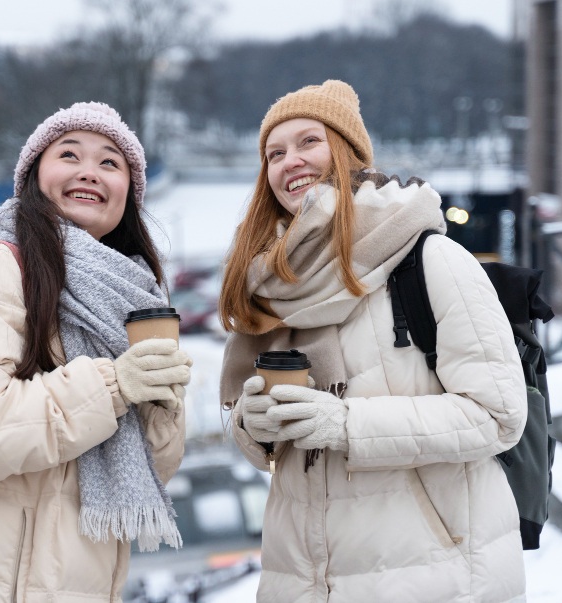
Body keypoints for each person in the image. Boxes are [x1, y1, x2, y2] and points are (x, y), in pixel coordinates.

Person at [218, 80, 528, 602]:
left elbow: (498, 415)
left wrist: (343, 423)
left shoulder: (428, 261)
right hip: (303, 581)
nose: (289, 161)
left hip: (436, 579)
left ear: (347, 153)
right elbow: (276, 460)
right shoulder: (272, 284)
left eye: (308, 142)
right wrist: (257, 425)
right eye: (275, 152)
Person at [0, 102, 191, 602]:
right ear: (35, 176)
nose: (88, 172)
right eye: (69, 154)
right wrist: (116, 386)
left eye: (109, 163)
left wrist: (159, 403)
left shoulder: (133, 295)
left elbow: (150, 468)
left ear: (129, 193)